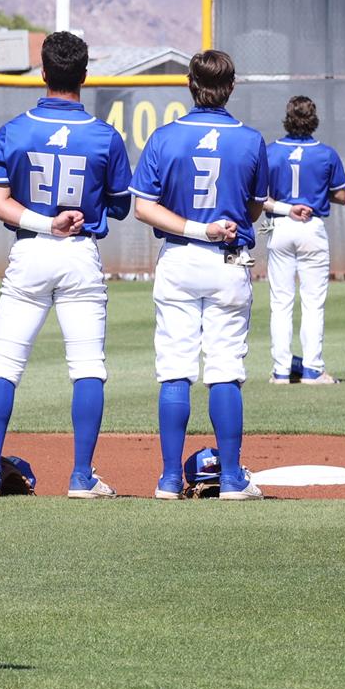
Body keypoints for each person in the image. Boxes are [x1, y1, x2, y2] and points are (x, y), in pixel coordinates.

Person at [0, 31, 133, 498]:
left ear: (42, 72)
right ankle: (81, 476)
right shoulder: (104, 136)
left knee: (4, 360)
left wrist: (44, 222)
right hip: (79, 252)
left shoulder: (14, 130)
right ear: (84, 76)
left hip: (30, 250)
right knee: (87, 366)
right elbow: (120, 206)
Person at [129, 49, 270, 500]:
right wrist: (217, 224)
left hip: (179, 256)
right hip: (228, 258)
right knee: (225, 368)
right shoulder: (250, 139)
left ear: (190, 84)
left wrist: (194, 227)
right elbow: (253, 206)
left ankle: (170, 478)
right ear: (230, 86)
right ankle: (230, 478)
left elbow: (143, 207)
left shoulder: (165, 137)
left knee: (175, 369)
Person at [261, 95, 345, 386]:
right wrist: (318, 191)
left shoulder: (271, 152)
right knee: (312, 303)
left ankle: (281, 370)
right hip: (311, 227)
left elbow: (261, 198)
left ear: (287, 119)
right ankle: (312, 369)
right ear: (314, 120)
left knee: (281, 302)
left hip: (281, 225)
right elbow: (342, 195)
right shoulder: (325, 153)